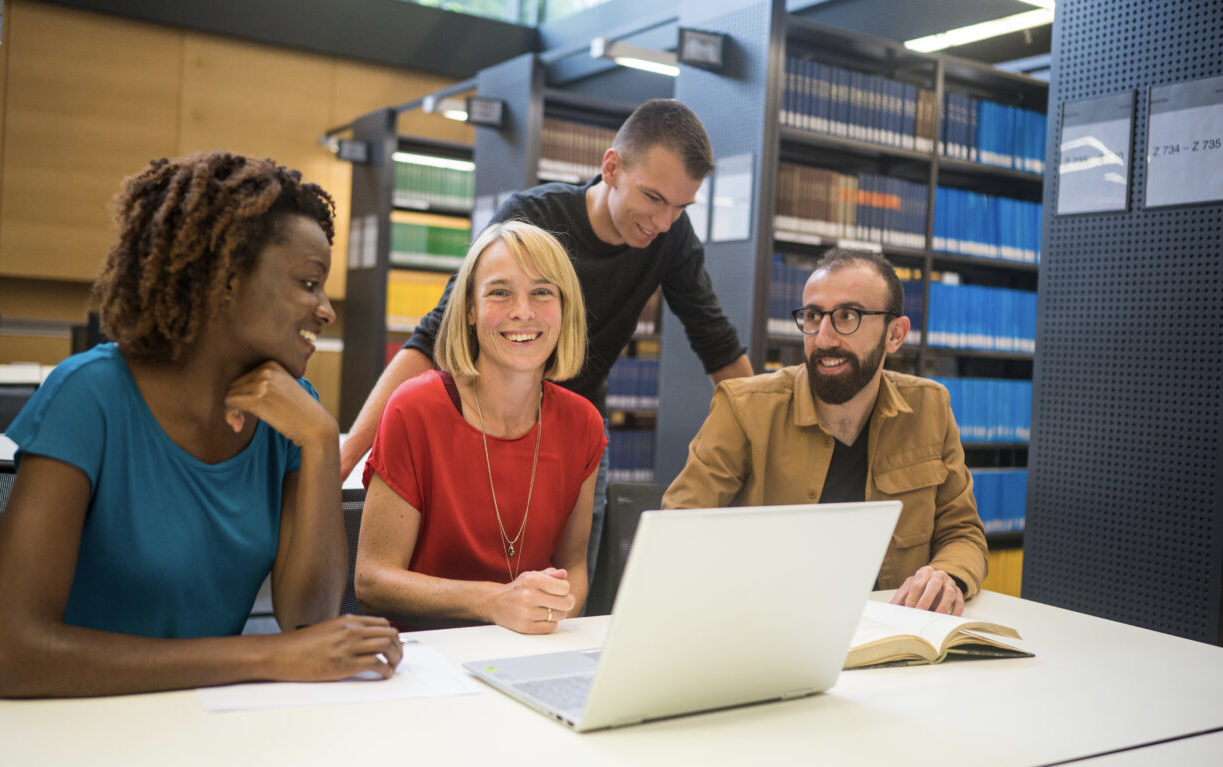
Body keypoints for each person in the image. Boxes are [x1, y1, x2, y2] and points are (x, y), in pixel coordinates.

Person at [0, 152, 403, 698]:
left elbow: (308, 622)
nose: (326, 310)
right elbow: (10, 656)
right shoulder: (89, 396)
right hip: (76, 721)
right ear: (226, 279)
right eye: (308, 282)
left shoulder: (294, 417)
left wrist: (321, 441)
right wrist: (264, 654)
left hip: (202, 719)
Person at [340, 99, 754, 580]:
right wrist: (348, 457)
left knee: (568, 583)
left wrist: (765, 440)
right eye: (654, 198)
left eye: (681, 207)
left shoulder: (672, 239)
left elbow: (718, 346)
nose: (663, 222)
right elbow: (434, 336)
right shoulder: (534, 218)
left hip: (573, 442)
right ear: (612, 167)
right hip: (486, 429)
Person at [662, 248, 988, 616]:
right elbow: (679, 531)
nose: (824, 338)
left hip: (894, 630)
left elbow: (963, 533)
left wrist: (946, 575)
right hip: (770, 629)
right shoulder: (744, 408)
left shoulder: (930, 408)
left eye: (848, 316)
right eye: (814, 316)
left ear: (895, 335)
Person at [355, 221, 604, 634]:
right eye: (500, 292)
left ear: (565, 308)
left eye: (542, 292)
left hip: (525, 650)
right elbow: (372, 579)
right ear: (469, 309)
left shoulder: (584, 424)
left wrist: (551, 611)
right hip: (424, 659)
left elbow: (573, 566)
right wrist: (493, 602)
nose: (522, 311)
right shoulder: (413, 410)